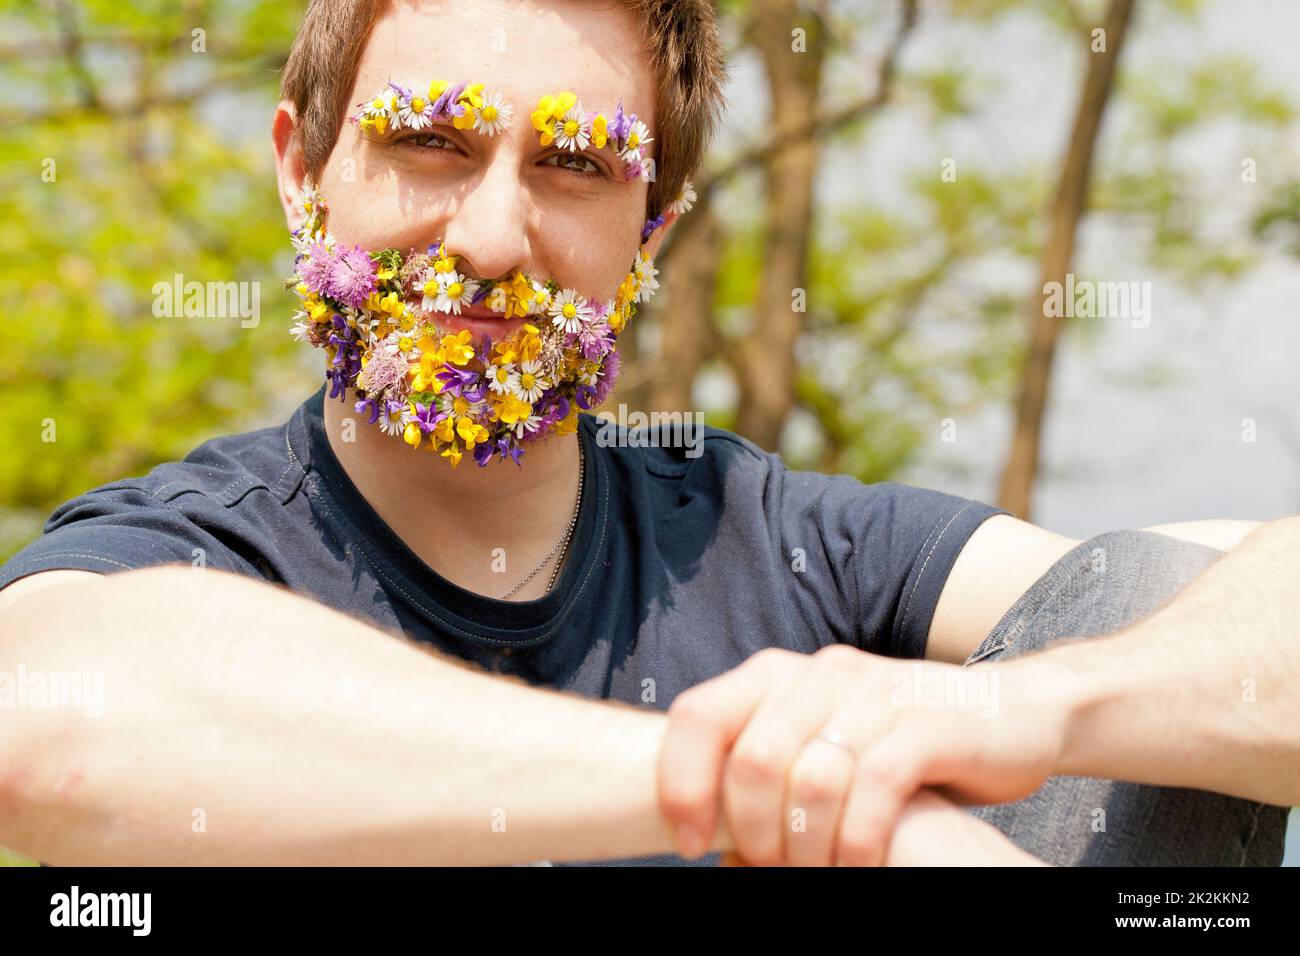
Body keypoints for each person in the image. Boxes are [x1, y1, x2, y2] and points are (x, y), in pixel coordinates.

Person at [0, 0, 1292, 867]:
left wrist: (1041, 707)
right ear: (301, 171)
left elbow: (1235, 598)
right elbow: (44, 723)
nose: (496, 242)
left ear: (653, 232)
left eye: (576, 167)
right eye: (431, 146)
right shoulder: (192, 553)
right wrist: (752, 786)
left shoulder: (783, 545)